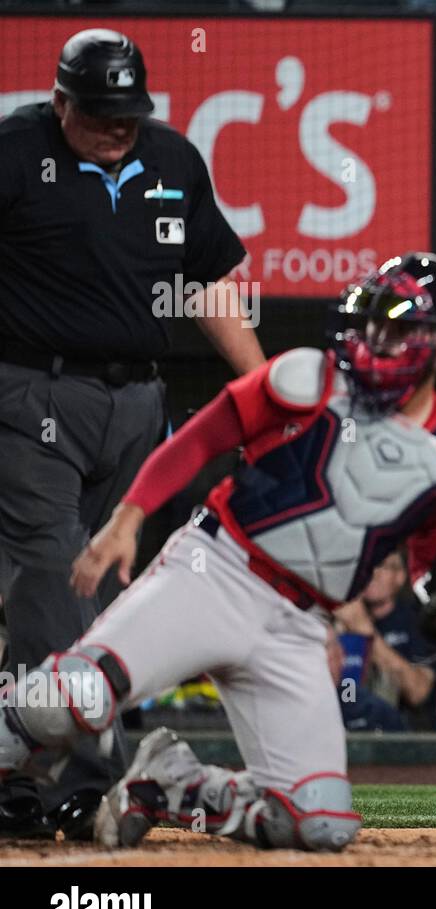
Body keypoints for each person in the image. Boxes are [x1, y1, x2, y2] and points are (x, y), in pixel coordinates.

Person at [0, 253, 436, 851]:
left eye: (398, 326)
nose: (377, 339)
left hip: (297, 625)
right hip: (216, 572)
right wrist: (128, 516)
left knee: (317, 823)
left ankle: (172, 784)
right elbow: (203, 436)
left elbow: (428, 564)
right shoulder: (308, 378)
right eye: (371, 322)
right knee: (77, 697)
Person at [0, 28, 264, 838]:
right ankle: (81, 780)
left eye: (128, 112)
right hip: (32, 394)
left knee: (108, 590)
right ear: (59, 102)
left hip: (140, 407)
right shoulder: (13, 153)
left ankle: (23, 772)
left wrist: (261, 396)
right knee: (48, 577)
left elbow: (210, 286)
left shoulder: (173, 160)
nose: (118, 128)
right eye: (100, 114)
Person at [333, 552, 436, 731]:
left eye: (382, 566)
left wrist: (365, 631)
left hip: (395, 734)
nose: (373, 573)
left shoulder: (416, 622)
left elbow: (418, 692)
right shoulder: (336, 617)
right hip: (341, 726)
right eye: (368, 565)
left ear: (399, 577)